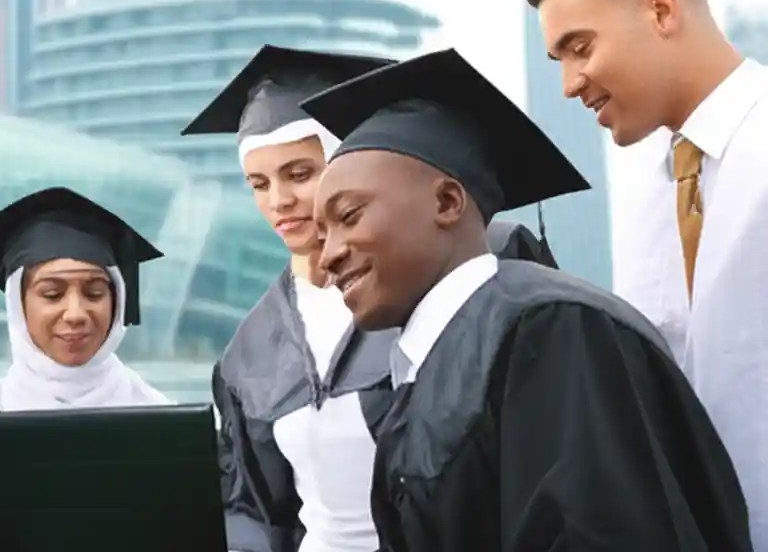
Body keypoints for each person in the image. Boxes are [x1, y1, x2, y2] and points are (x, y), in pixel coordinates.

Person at [301, 48, 752, 551]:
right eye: (321, 235)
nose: (329, 256)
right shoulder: (433, 362)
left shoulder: (551, 330)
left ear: (447, 202)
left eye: (349, 216)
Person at [184, 44, 564, 552]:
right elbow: (255, 508)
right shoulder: (251, 349)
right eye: (259, 183)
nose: (279, 201)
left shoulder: (455, 280)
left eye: (300, 173)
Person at [527, 0, 768, 548]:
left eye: (580, 47)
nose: (569, 83)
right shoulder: (649, 196)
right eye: (558, 60)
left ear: (661, 10)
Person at [0, 186, 172, 413]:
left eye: (94, 293)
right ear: (18, 305)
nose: (76, 314)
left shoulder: (164, 423)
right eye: (52, 294)